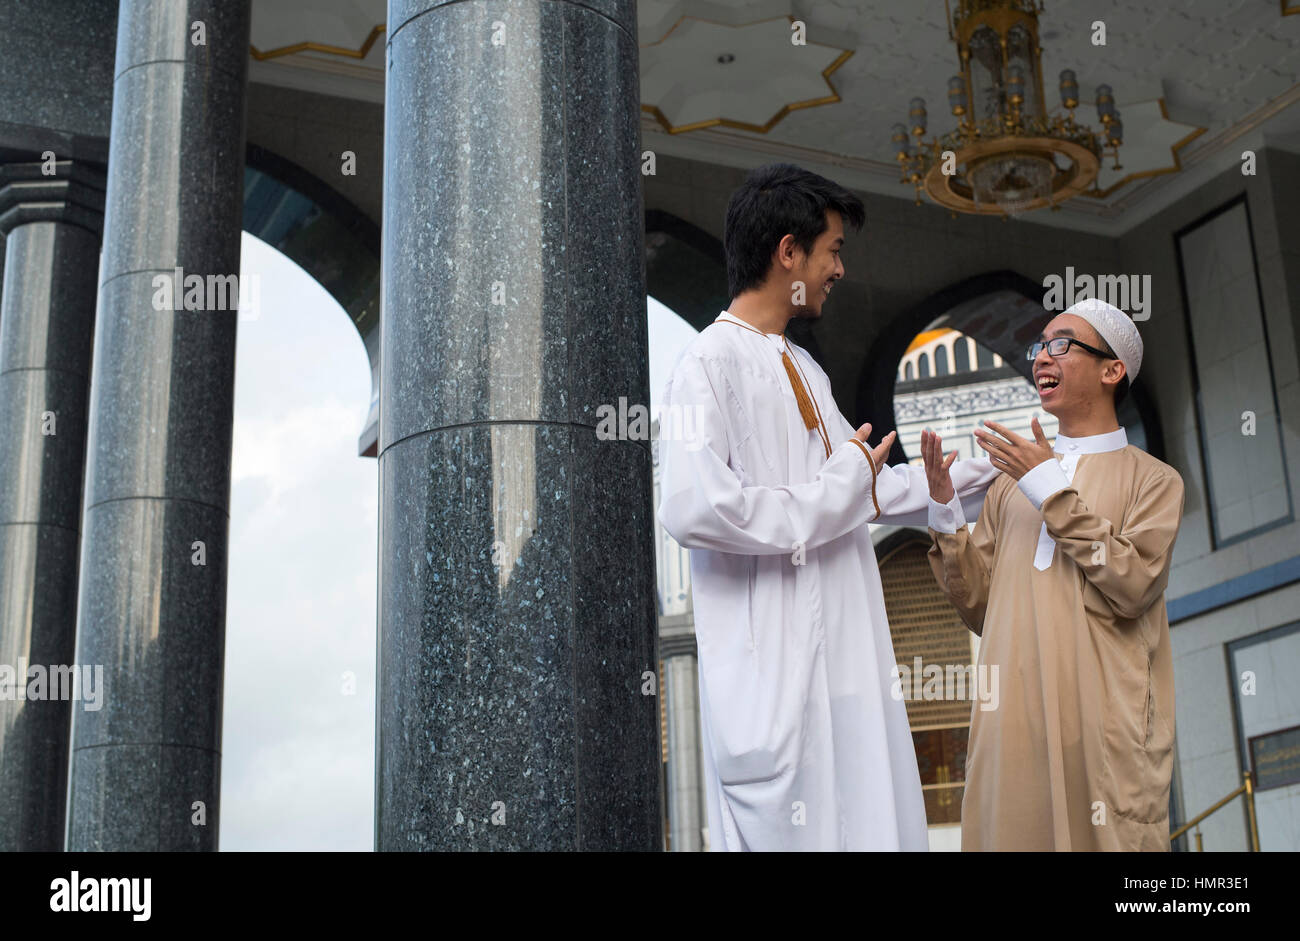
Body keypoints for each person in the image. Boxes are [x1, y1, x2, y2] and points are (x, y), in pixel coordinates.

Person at [656, 163, 999, 850]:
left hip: (843, 660)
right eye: (833, 249)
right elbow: (693, 505)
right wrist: (834, 489)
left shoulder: (805, 367)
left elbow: (864, 484)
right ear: (789, 253)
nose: (840, 268)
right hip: (775, 675)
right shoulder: (707, 364)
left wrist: (975, 475)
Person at [921, 297, 1185, 851]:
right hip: (1012, 724)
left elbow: (1133, 584)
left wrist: (1049, 490)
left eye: (1062, 345)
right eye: (1039, 346)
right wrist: (947, 514)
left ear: (1113, 370)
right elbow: (980, 606)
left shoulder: (1154, 482)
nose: (1042, 357)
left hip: (1100, 725)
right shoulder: (1007, 487)